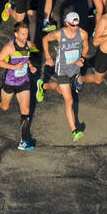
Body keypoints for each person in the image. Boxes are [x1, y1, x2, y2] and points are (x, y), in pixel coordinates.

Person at [38, 11, 89, 142]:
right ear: (67, 23)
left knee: (60, 90)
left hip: (75, 69)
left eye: (77, 24)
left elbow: (86, 47)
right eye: (72, 25)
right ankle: (74, 130)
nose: (75, 27)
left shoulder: (83, 33)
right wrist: (48, 57)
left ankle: (42, 85)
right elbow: (45, 39)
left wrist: (82, 58)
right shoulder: (59, 34)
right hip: (62, 70)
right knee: (69, 100)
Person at [0, 21, 38, 150]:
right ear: (16, 34)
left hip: (24, 82)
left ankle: (24, 142)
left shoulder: (29, 45)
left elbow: (27, 57)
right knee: (5, 107)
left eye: (27, 34)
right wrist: (13, 66)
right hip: (10, 82)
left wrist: (31, 66)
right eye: (23, 34)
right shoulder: (9, 47)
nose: (25, 36)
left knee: (25, 111)